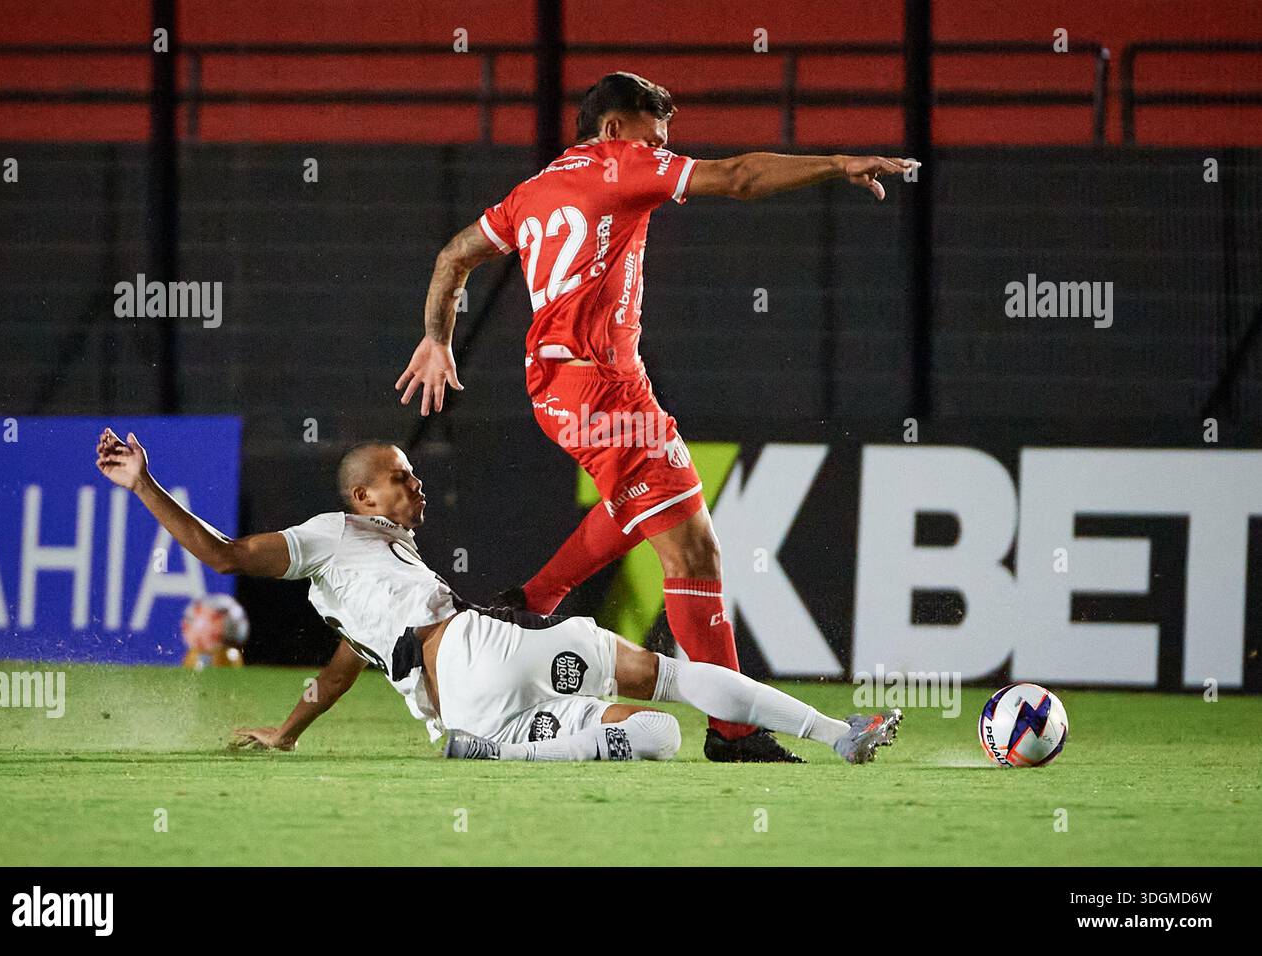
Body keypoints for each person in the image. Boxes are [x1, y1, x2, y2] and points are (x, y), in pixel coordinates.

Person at [397, 71, 917, 762]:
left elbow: (453, 255)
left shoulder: (536, 189)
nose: (665, 149)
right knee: (692, 550)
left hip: (563, 388)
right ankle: (734, 732)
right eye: (656, 135)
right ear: (616, 130)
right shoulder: (619, 163)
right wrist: (835, 163)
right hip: (602, 391)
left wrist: (437, 336)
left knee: (640, 504)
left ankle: (537, 594)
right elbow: (738, 177)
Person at [93, 427, 901, 763]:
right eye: (401, 477)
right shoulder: (329, 535)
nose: (418, 482)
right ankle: (840, 734)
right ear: (362, 498)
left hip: (469, 710)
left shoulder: (363, 583)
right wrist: (145, 483)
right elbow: (226, 555)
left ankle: (503, 753)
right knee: (669, 677)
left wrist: (288, 731)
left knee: (656, 737)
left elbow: (344, 668)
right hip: (473, 647)